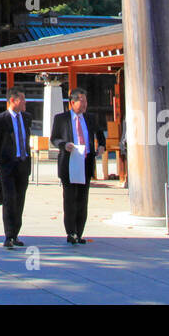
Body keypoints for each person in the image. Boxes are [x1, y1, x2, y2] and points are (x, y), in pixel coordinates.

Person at [51, 89, 103, 245]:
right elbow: (54, 138)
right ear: (72, 103)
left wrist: (101, 146)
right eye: (82, 101)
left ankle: (79, 232)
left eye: (86, 101)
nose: (85, 104)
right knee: (70, 199)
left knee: (82, 199)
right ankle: (71, 232)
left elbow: (100, 135)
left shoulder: (91, 118)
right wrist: (63, 145)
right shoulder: (61, 119)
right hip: (69, 162)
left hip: (86, 161)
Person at [0, 91, 32, 249]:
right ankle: (8, 235)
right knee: (9, 200)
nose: (25, 102)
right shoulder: (1, 119)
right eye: (22, 99)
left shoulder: (26, 118)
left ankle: (16, 234)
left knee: (20, 200)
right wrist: (0, 161)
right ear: (13, 100)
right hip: (7, 165)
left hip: (23, 164)